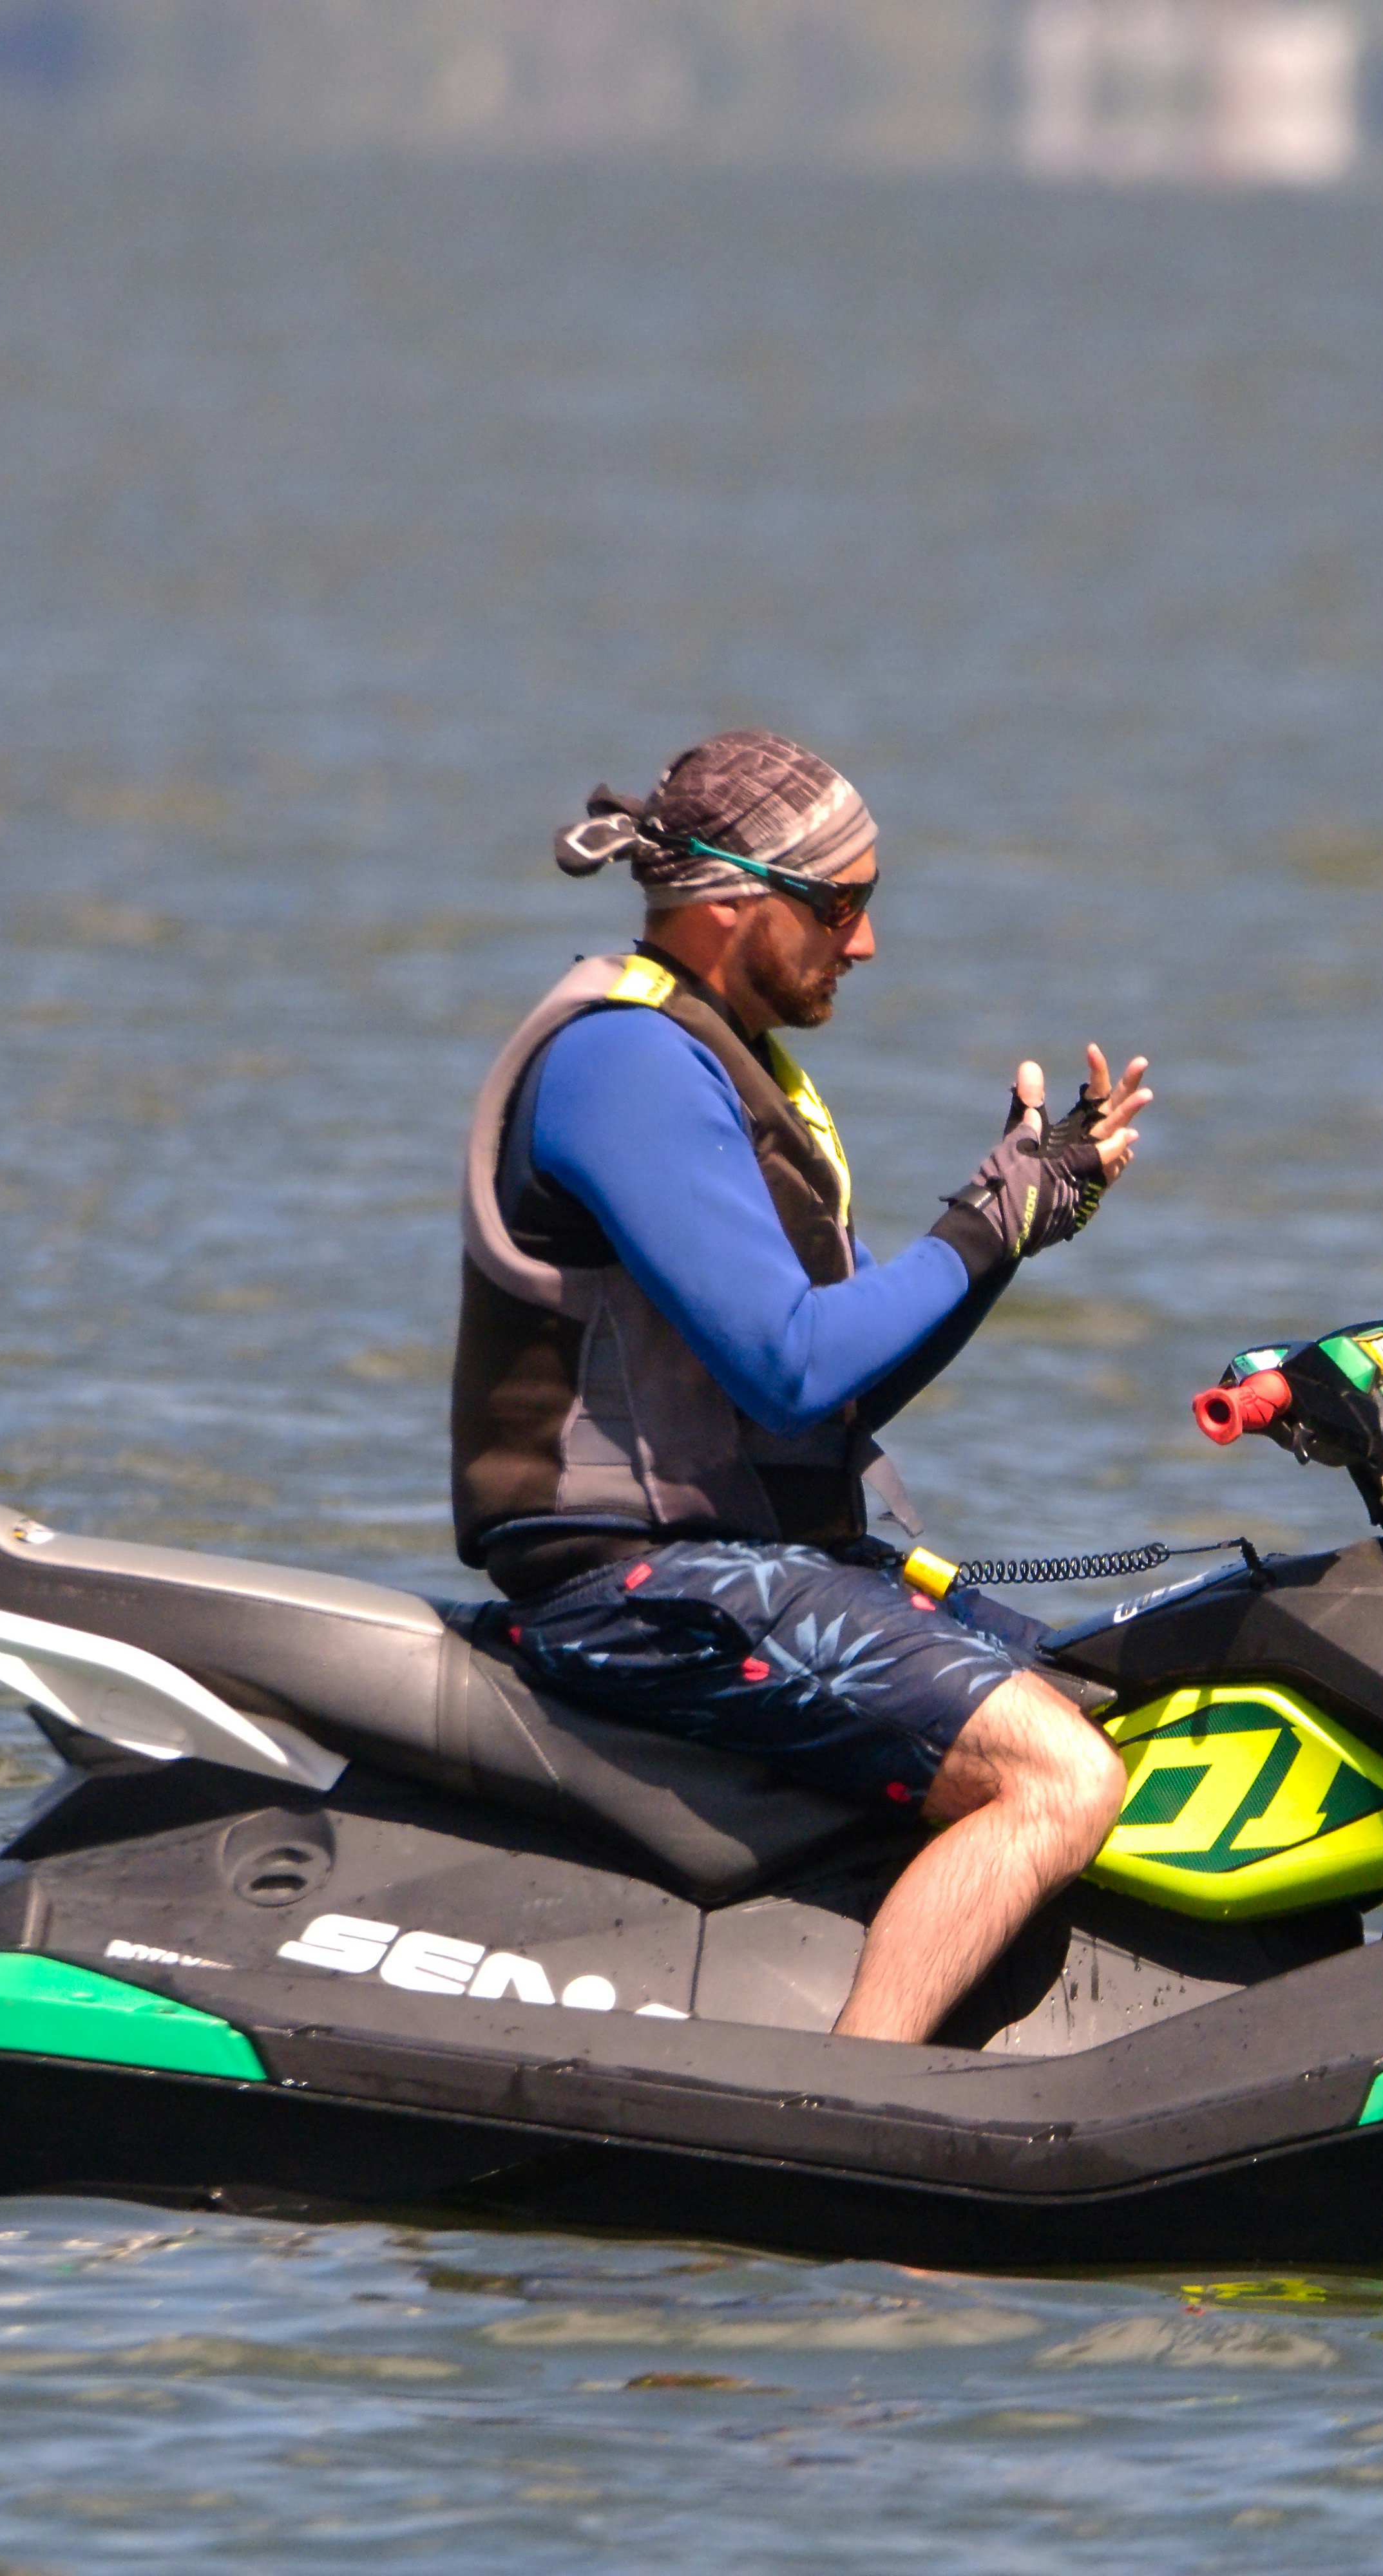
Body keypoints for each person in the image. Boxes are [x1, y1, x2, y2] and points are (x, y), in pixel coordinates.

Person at [449, 730, 1148, 2045]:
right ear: (730, 902)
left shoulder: (731, 1062)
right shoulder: (626, 1063)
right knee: (1058, 1773)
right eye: (841, 905)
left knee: (1119, 1691)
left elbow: (842, 1389)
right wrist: (983, 1222)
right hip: (633, 1582)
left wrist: (1018, 1227)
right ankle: (855, 2098)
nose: (866, 941)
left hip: (742, 1563)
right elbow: (790, 1365)